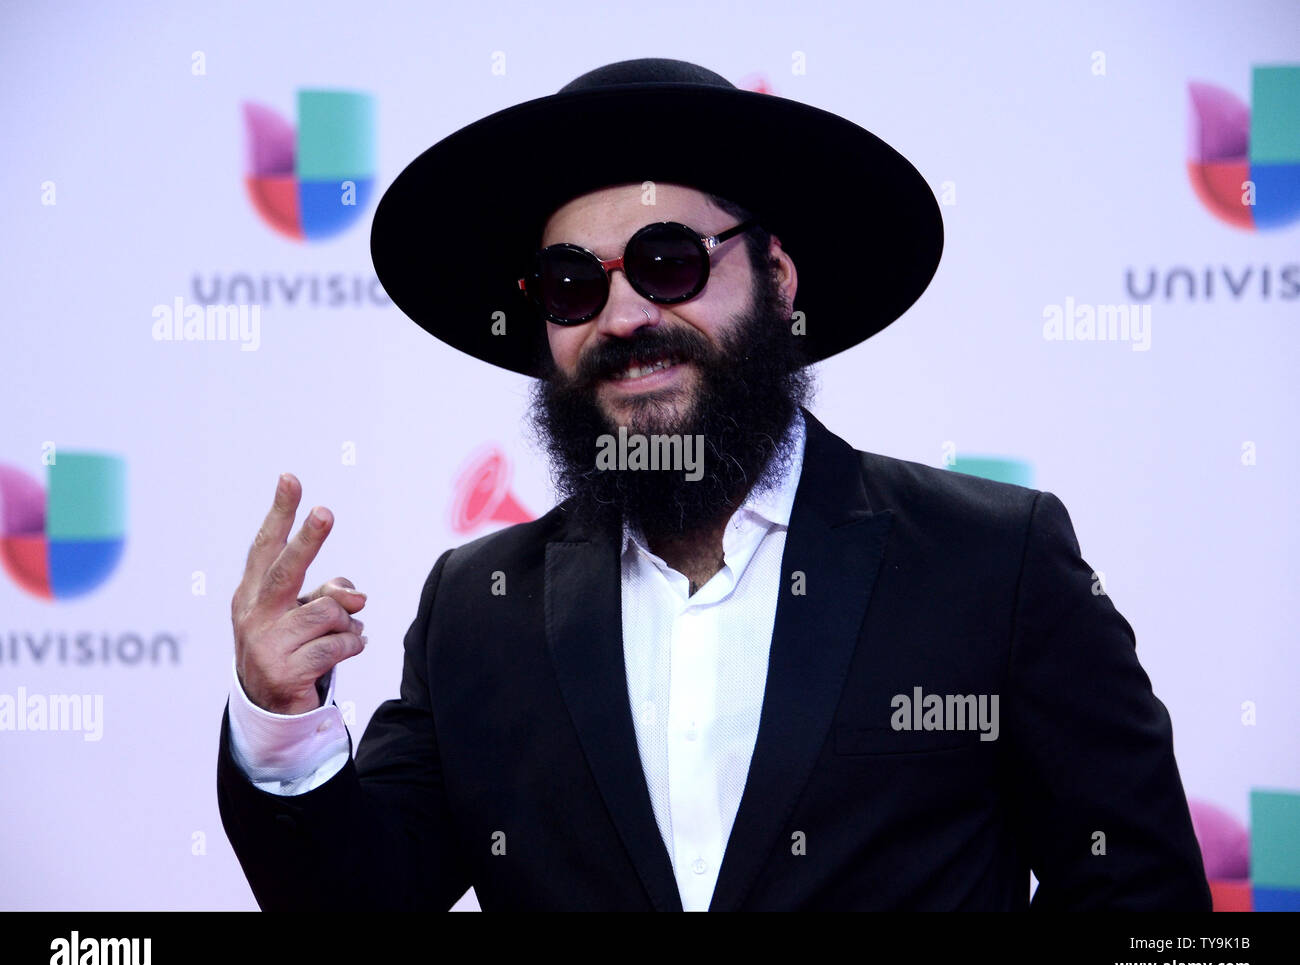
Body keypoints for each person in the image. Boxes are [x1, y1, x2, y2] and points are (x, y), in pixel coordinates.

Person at [217, 57, 1212, 911]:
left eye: (667, 261)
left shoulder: (990, 561)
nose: (621, 316)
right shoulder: (476, 610)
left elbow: (1137, 899)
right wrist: (280, 719)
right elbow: (358, 899)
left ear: (777, 280)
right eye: (574, 284)